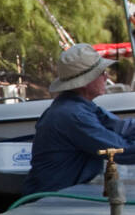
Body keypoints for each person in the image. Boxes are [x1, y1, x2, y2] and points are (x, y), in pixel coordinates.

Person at [22, 44, 135, 196]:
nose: (106, 77)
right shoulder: (73, 115)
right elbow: (120, 151)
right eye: (101, 72)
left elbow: (120, 127)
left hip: (61, 195)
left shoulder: (77, 106)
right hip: (50, 202)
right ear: (86, 81)